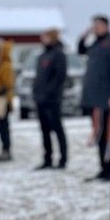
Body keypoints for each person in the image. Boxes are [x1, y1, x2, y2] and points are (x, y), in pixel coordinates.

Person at [78, 14, 110, 181]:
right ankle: (104, 168)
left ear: (107, 26)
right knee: (99, 134)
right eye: (94, 26)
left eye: (98, 25)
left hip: (106, 98)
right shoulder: (95, 44)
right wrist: (84, 35)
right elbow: (80, 50)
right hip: (94, 98)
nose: (96, 28)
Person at [32, 28, 68, 170]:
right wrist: (36, 92)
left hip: (52, 100)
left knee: (57, 129)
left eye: (45, 36)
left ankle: (63, 159)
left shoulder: (58, 54)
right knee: (44, 130)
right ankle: (47, 158)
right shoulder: (42, 55)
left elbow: (59, 77)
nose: (43, 39)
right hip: (40, 99)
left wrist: (49, 92)